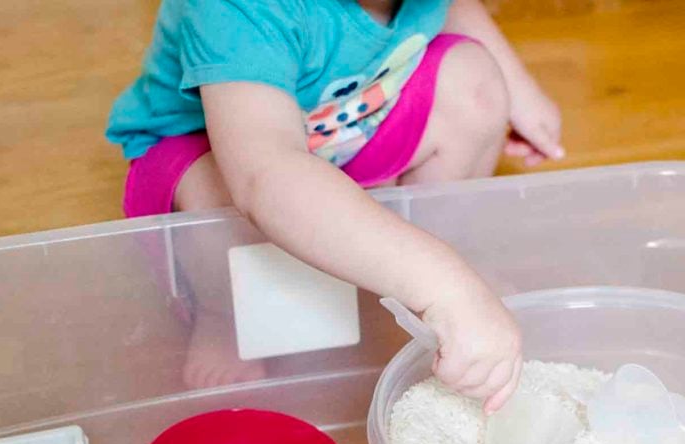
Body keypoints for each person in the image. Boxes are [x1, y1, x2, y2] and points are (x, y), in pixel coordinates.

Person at [107, 0, 563, 414]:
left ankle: (415, 256)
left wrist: (515, 88)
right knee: (219, 197)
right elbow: (263, 177)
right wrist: (444, 286)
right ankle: (221, 314)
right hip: (227, 146)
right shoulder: (235, 8)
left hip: (345, 128)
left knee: (475, 84)